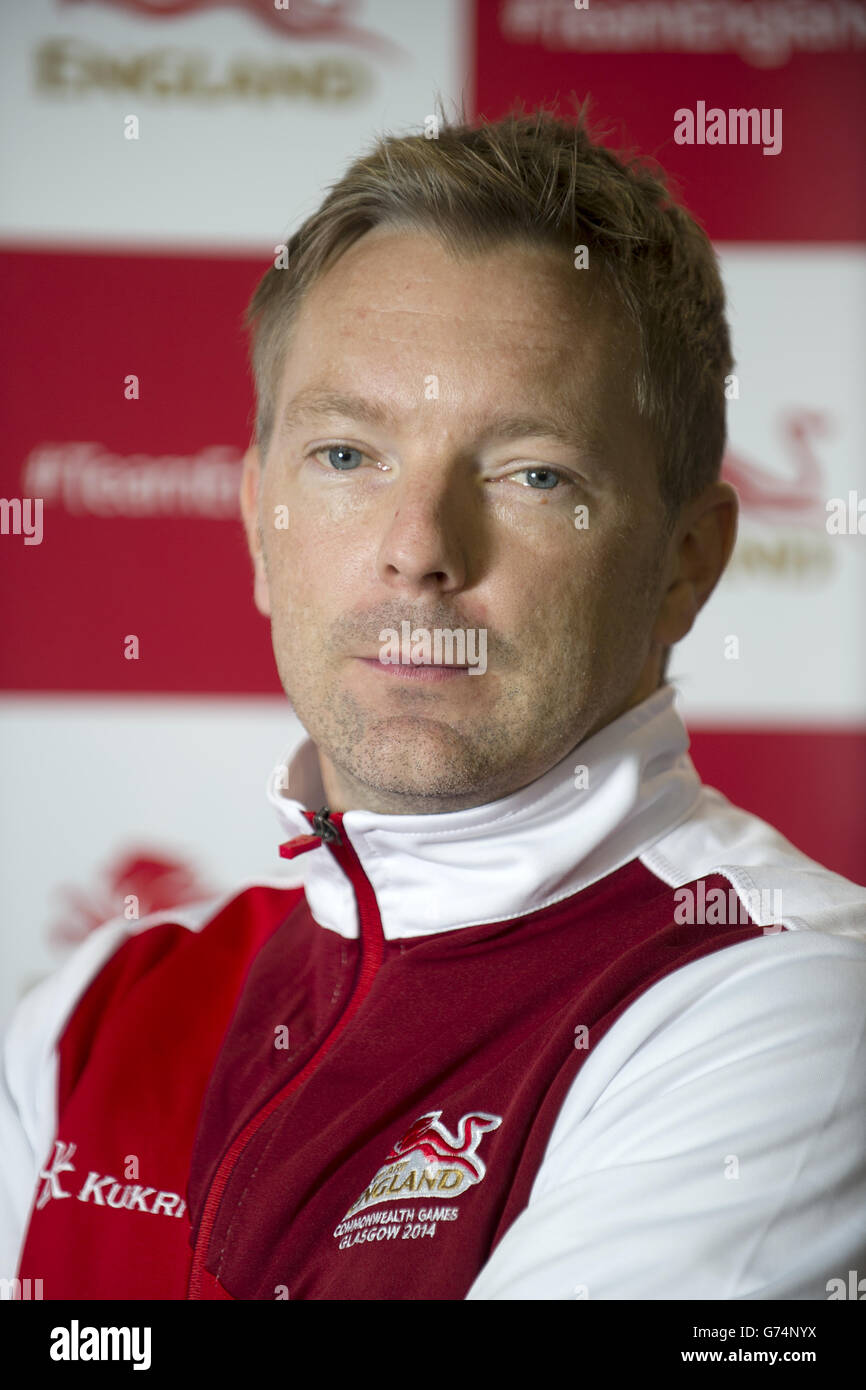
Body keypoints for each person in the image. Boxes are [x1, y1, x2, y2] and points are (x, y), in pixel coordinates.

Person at [2, 102, 864, 1302]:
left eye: (530, 472)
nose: (418, 549)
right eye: (348, 455)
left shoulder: (792, 1004)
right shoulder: (93, 1017)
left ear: (684, 560)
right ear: (260, 521)